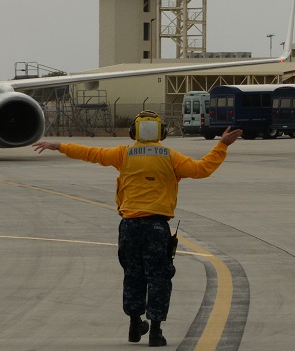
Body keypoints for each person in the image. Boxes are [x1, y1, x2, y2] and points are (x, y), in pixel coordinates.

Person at [32, 110, 242, 347]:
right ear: (161, 132)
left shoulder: (124, 154)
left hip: (129, 226)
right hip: (156, 226)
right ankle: (156, 330)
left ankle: (134, 323)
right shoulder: (170, 156)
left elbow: (91, 153)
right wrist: (222, 145)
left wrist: (59, 145)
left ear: (135, 132)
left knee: (133, 274)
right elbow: (202, 169)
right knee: (158, 277)